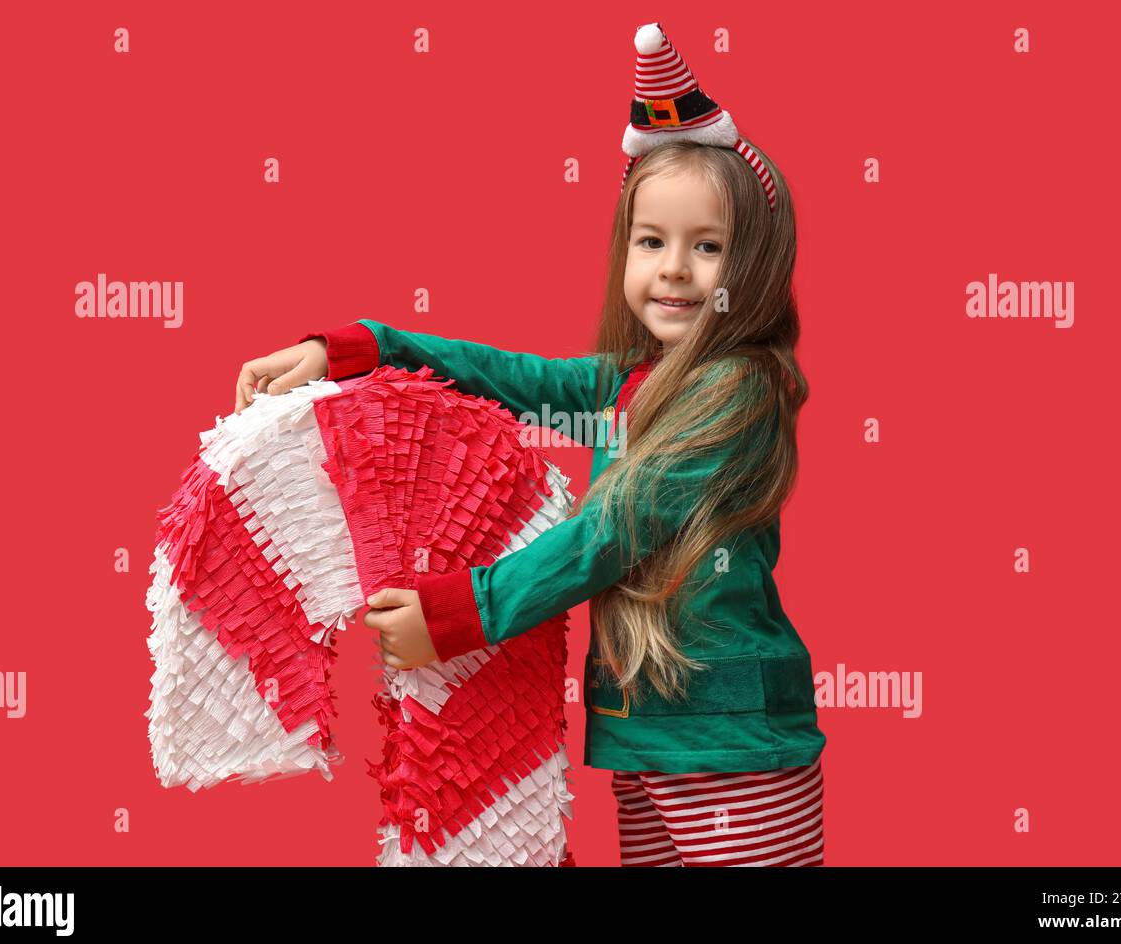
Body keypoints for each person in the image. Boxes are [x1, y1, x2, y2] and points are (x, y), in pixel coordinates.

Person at [231, 23, 826, 867]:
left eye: (708, 247)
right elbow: (515, 379)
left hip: (734, 744)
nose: (674, 270)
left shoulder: (736, 393)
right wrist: (362, 346)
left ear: (752, 268)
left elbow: (616, 528)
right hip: (644, 733)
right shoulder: (629, 384)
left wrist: (465, 612)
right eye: (652, 241)